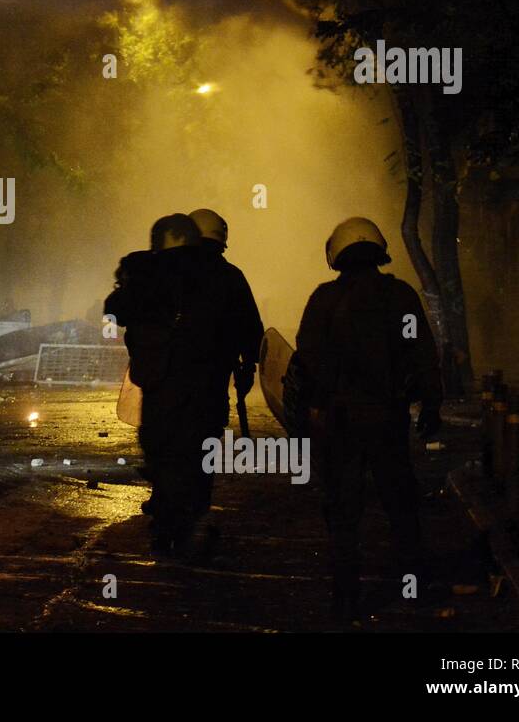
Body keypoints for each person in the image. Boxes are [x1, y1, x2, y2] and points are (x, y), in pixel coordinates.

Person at [289, 217, 443, 623]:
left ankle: (346, 599)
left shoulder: (323, 300)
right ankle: (414, 587)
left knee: (343, 512)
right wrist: (431, 406)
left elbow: (305, 362)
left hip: (340, 425)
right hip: (387, 421)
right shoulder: (401, 297)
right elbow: (423, 356)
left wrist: (307, 417)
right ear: (379, 252)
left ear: (336, 255)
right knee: (400, 504)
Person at [104, 213, 239, 555]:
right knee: (197, 457)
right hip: (204, 387)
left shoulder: (149, 272)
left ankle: (167, 524)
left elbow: (115, 311)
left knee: (163, 454)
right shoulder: (219, 275)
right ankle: (188, 524)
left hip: (160, 387)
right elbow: (246, 328)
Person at [188, 208, 264, 429]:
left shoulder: (172, 274)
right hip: (215, 374)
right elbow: (250, 325)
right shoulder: (231, 276)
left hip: (174, 377)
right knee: (208, 430)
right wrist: (249, 366)